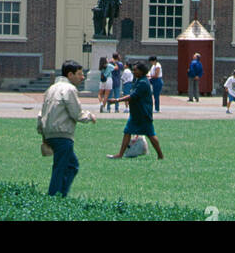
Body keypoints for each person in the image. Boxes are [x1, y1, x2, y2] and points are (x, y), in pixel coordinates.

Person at [37, 61, 96, 197]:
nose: (82, 77)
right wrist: (90, 116)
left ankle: (60, 194)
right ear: (70, 74)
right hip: (62, 134)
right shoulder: (69, 89)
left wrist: (42, 133)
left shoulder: (51, 89)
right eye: (79, 74)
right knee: (61, 168)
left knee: (71, 165)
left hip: (50, 133)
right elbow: (76, 113)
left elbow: (42, 113)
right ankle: (54, 196)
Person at [108, 61, 163, 160]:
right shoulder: (138, 80)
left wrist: (116, 100)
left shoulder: (143, 82)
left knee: (150, 134)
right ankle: (120, 154)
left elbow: (133, 96)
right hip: (136, 114)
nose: (133, 71)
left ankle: (160, 155)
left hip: (143, 114)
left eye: (135, 70)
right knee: (127, 131)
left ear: (141, 71)